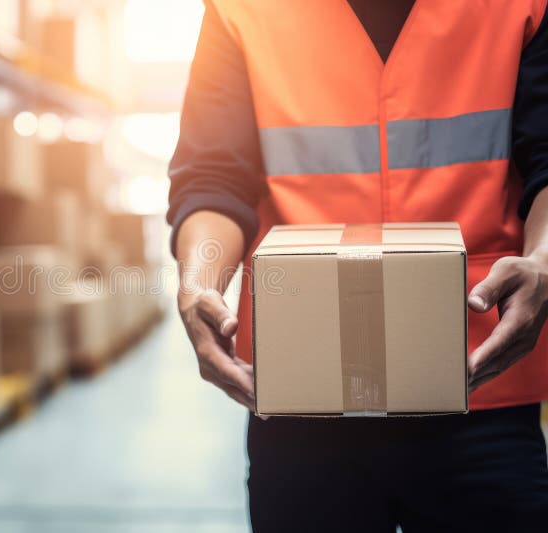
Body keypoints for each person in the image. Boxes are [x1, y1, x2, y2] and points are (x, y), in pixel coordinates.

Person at [167, 1, 548, 531]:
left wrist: (543, 261)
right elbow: (212, 177)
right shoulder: (242, 8)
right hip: (302, 391)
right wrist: (197, 284)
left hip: (481, 381)